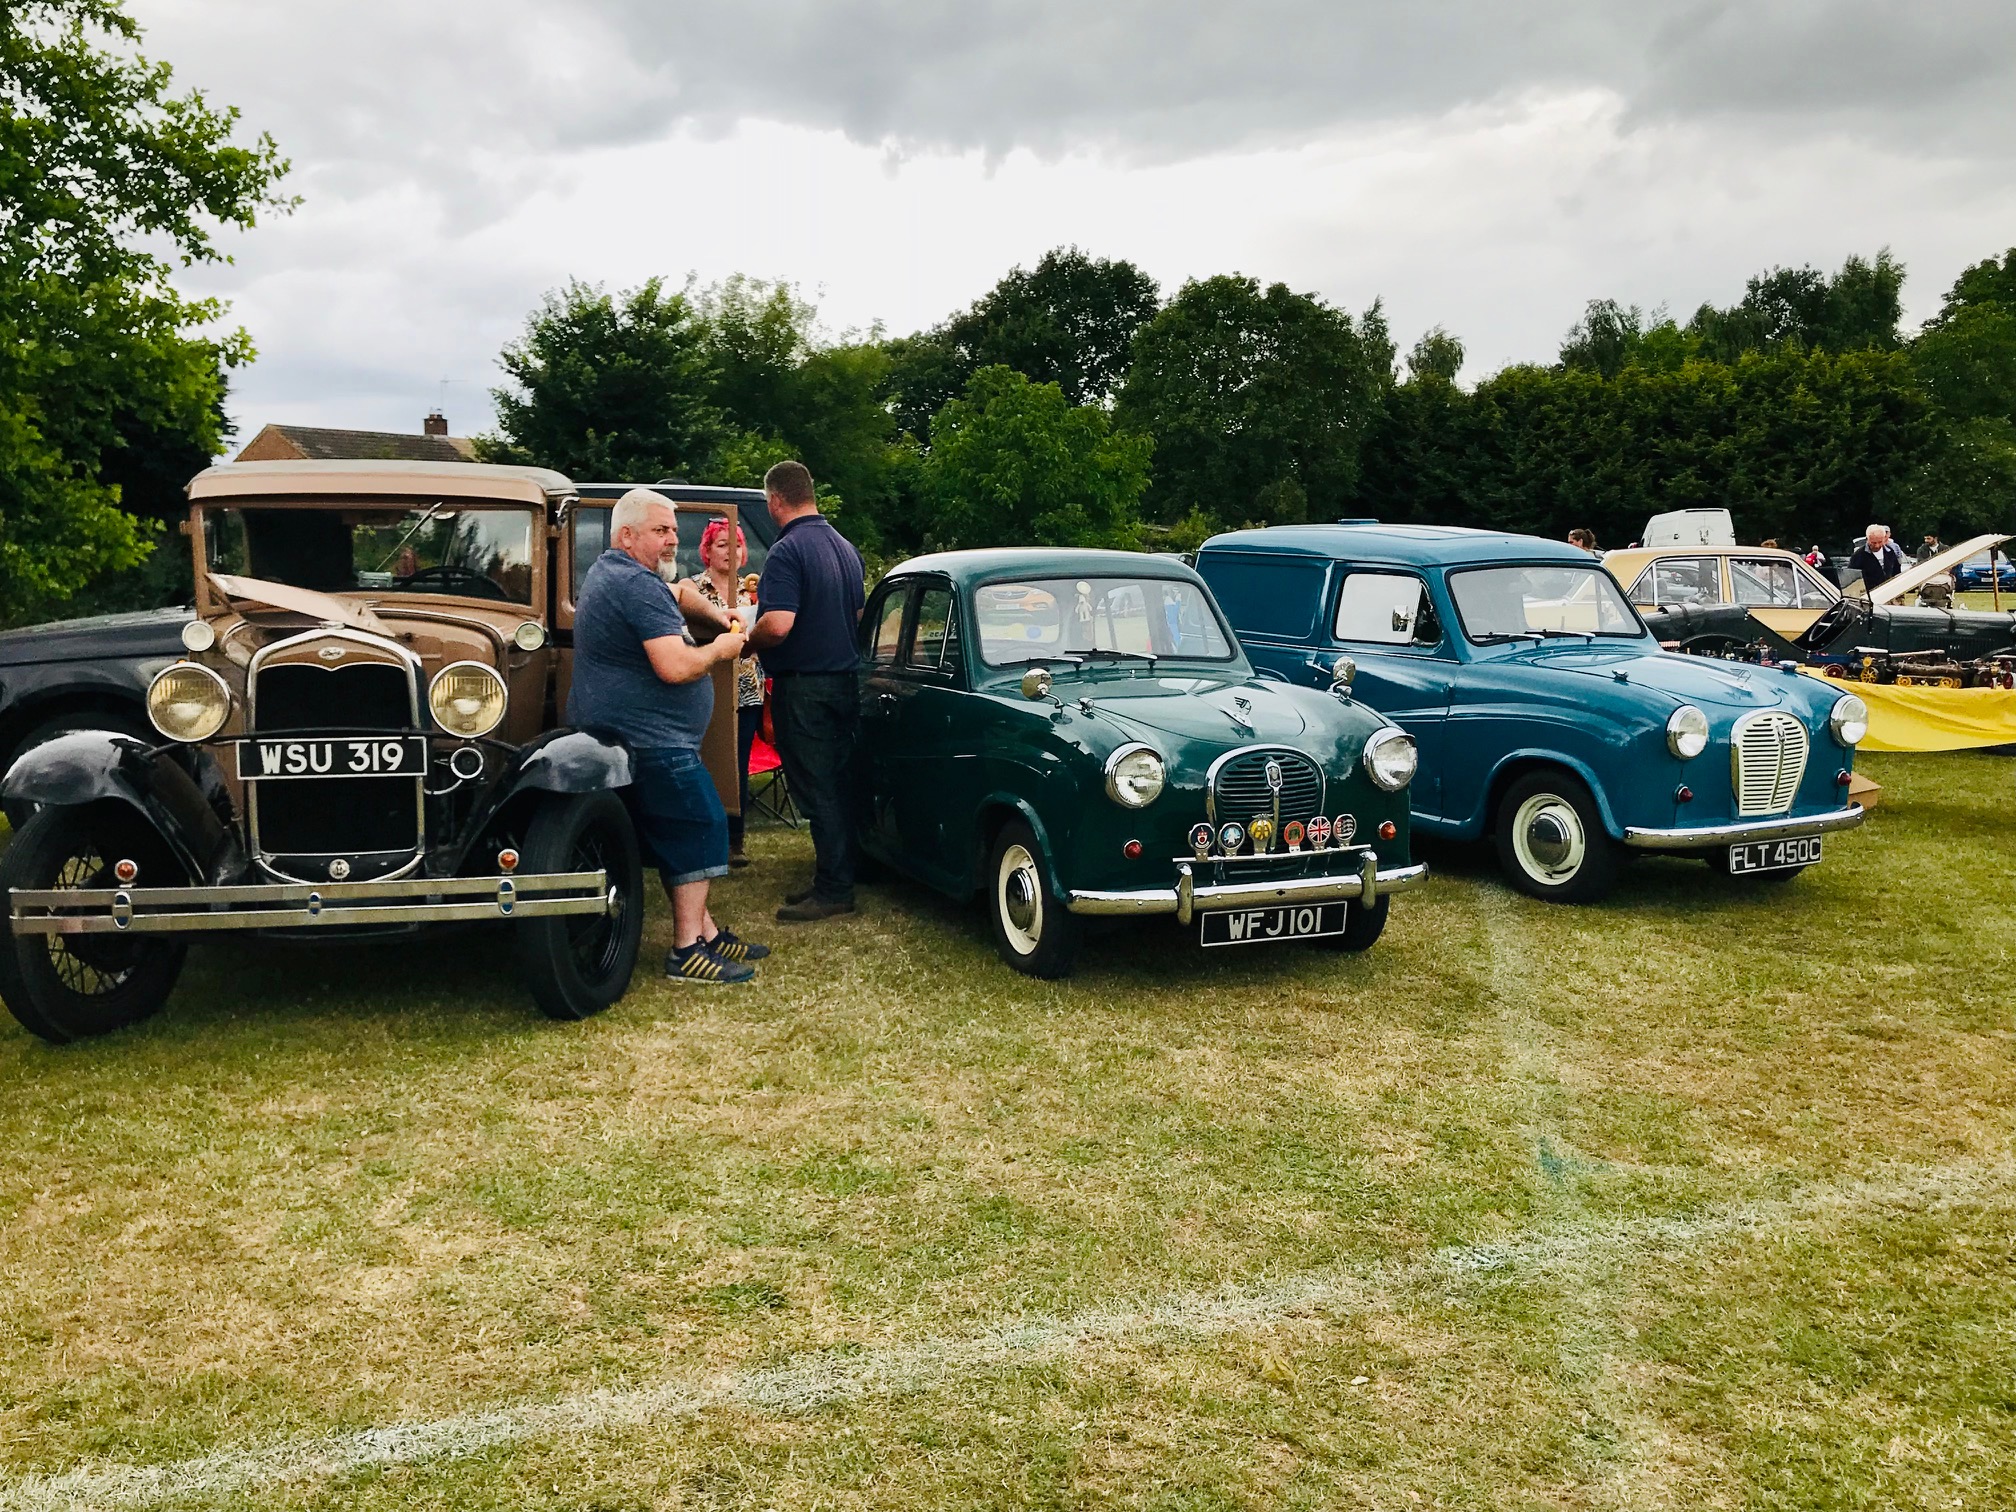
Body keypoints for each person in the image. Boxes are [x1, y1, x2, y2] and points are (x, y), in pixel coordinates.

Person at [570, 488, 770, 984]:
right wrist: (723, 648)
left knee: (683, 835)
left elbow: (680, 591)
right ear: (627, 534)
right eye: (660, 532)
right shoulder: (633, 585)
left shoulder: (616, 573)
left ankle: (706, 933)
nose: (670, 542)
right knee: (702, 825)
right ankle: (686, 951)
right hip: (650, 738)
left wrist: (717, 613)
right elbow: (675, 666)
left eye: (673, 532)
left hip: (635, 732)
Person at [747, 460, 865, 923]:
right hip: (844, 681)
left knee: (817, 790)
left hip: (805, 687)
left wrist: (747, 643)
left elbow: (777, 624)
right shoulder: (844, 547)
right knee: (838, 782)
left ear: (775, 500)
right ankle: (834, 875)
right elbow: (857, 617)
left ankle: (835, 889)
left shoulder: (787, 550)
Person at [685, 517, 763, 869]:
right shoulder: (693, 588)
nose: (730, 552)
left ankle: (736, 840)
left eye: (736, 545)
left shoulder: (754, 590)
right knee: (706, 759)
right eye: (721, 544)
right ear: (707, 551)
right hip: (706, 683)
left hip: (747, 688)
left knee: (738, 764)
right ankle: (702, 836)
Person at [1848, 523, 1907, 594]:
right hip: (1868, 596)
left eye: (1880, 542)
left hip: (1889, 593)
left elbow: (1896, 573)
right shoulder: (1858, 556)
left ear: (1884, 538)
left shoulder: (1890, 552)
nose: (1877, 545)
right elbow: (1851, 580)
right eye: (1873, 543)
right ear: (1867, 539)